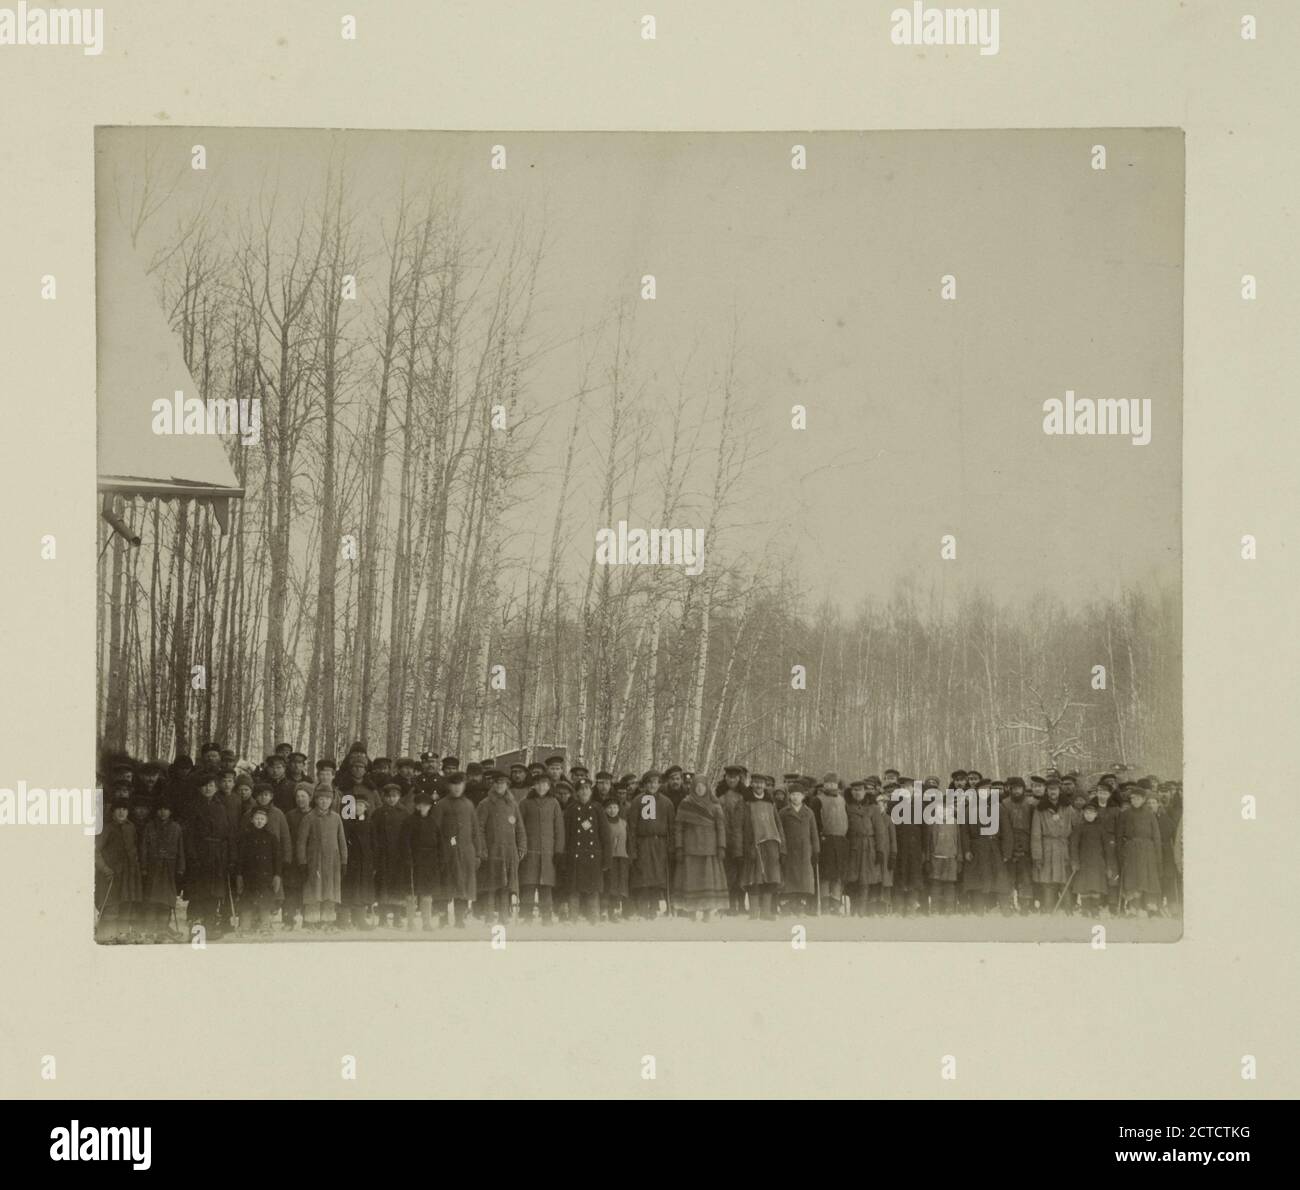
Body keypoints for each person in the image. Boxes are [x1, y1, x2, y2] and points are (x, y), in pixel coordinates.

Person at [672, 778, 729, 921]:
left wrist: (721, 846)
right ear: (693, 787)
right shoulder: (685, 804)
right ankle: (691, 911)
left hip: (710, 849)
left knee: (708, 881)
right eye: (697, 786)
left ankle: (707, 911)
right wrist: (679, 846)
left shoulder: (715, 806)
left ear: (707, 788)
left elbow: (721, 828)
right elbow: (678, 828)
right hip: (690, 848)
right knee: (691, 880)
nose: (699, 789)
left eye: (702, 786)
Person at [432, 770, 484, 927]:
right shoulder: (441, 805)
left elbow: (475, 831)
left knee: (463, 886)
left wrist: (478, 853)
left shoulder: (469, 805)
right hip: (447, 853)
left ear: (464, 785)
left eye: (460, 785)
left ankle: (460, 918)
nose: (456, 788)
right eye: (453, 785)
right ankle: (443, 918)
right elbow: (435, 830)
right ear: (449, 786)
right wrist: (439, 850)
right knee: (445, 886)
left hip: (466, 852)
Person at [184, 772, 232, 936]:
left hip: (217, 856)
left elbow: (226, 833)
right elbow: (188, 834)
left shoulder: (221, 806)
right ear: (199, 788)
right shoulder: (192, 806)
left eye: (211, 785)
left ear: (216, 787)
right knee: (198, 894)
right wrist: (192, 856)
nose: (207, 788)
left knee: (214, 894)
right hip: (199, 854)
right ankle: (196, 929)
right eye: (204, 786)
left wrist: (225, 856)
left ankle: (210, 927)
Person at [296, 785, 348, 929]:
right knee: (314, 890)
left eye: (327, 799)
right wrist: (302, 862)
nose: (324, 802)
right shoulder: (309, 818)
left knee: (330, 890)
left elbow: (342, 841)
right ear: (316, 800)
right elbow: (301, 843)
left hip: (332, 862)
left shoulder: (336, 818)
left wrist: (344, 861)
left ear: (331, 801)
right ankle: (311, 921)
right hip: (315, 862)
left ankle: (328, 920)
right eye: (321, 799)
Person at [477, 772, 526, 924]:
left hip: (509, 852)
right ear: (493, 785)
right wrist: (482, 848)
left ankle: (504, 917)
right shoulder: (485, 804)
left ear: (507, 785)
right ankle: (489, 917)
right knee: (491, 886)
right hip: (492, 851)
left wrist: (522, 845)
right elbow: (478, 829)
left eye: (503, 783)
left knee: (506, 886)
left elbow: (519, 827)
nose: (500, 786)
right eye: (497, 783)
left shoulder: (512, 804)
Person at [517, 772, 565, 924]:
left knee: (546, 887)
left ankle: (546, 917)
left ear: (549, 786)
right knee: (528, 886)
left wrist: (558, 851)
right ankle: (526, 916)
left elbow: (559, 829)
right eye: (538, 783)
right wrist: (520, 847)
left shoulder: (554, 803)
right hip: (529, 853)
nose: (541, 787)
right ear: (533, 785)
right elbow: (519, 826)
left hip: (548, 854)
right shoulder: (525, 803)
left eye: (545, 784)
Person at [627, 771, 675, 919]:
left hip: (660, 843)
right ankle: (642, 906)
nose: (652, 785)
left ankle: (654, 907)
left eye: (655, 782)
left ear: (660, 784)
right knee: (643, 876)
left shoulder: (667, 803)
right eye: (649, 782)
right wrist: (633, 849)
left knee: (657, 876)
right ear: (645, 785)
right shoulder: (637, 801)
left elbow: (671, 827)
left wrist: (671, 846)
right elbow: (632, 827)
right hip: (643, 843)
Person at [95, 797, 143, 940]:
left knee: (126, 906)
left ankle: (122, 935)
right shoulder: (106, 828)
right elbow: (95, 851)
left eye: (125, 809)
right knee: (111, 907)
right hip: (111, 875)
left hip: (128, 875)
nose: (121, 812)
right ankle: (107, 936)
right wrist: (104, 869)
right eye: (118, 809)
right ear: (112, 812)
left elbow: (134, 848)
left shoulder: (131, 827)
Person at [140, 798, 185, 938]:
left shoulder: (176, 827)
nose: (163, 812)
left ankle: (163, 928)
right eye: (160, 809)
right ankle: (149, 929)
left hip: (169, 869)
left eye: (166, 809)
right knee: (152, 899)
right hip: (154, 867)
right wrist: (144, 866)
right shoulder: (150, 826)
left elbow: (180, 849)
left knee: (167, 899)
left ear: (170, 811)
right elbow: (144, 848)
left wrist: (180, 868)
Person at [740, 776, 784, 920]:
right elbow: (740, 826)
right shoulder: (746, 801)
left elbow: (778, 825)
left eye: (761, 783)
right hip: (753, 844)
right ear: (751, 784)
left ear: (765, 785)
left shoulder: (771, 802)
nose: (758, 785)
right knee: (753, 878)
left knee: (770, 878)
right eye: (756, 782)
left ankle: (766, 912)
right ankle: (753, 912)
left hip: (771, 844)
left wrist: (782, 847)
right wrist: (745, 847)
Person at [371, 781, 413, 929]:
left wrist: (407, 854)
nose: (391, 799)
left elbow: (409, 835)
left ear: (399, 797)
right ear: (383, 797)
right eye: (388, 796)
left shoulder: (405, 813)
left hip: (399, 857)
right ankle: (382, 917)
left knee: (397, 888)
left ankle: (397, 917)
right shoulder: (378, 813)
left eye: (394, 796)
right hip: (383, 856)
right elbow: (373, 834)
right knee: (383, 887)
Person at [565, 778, 607, 923]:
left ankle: (594, 920)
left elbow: (605, 835)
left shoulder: (597, 809)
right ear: (577, 792)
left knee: (593, 890)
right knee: (573, 890)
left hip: (593, 857)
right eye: (581, 789)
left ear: (591, 791)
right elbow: (566, 835)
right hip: (574, 856)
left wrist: (606, 858)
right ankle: (573, 919)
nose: (584, 791)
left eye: (587, 788)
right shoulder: (570, 810)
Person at [236, 806, 281, 933]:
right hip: (249, 876)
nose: (259, 821)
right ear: (252, 820)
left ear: (266, 821)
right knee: (247, 901)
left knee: (265, 901)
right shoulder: (245, 837)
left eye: (262, 819)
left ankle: (265, 925)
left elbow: (277, 858)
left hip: (265, 876)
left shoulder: (272, 837)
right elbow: (240, 857)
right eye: (257, 818)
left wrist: (277, 875)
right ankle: (245, 925)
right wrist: (239, 875)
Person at [1118, 785, 1163, 916]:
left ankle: (1151, 907)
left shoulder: (1150, 815)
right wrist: (1121, 852)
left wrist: (1157, 854)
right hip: (1131, 851)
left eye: (1138, 799)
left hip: (1148, 851)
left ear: (1143, 800)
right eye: (1133, 799)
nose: (1135, 801)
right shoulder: (1125, 814)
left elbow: (1156, 836)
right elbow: (1119, 835)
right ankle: (1133, 907)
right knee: (1133, 878)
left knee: (1148, 877)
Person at [1031, 779, 1074, 913]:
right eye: (1050, 790)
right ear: (1046, 791)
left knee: (1065, 880)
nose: (1052, 792)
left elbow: (1075, 829)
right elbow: (1036, 834)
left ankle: (1068, 909)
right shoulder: (1040, 809)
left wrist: (1073, 853)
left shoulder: (1067, 807)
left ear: (1059, 790)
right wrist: (1037, 855)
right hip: (1047, 847)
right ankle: (1049, 908)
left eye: (1055, 789)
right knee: (1047, 881)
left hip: (1063, 847)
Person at [1070, 800, 1117, 917]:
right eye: (1087, 812)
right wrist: (1075, 861)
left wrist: (1108, 864)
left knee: (1096, 886)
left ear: (1096, 814)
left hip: (1097, 862)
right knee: (1084, 886)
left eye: (1092, 813)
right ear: (1083, 814)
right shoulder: (1079, 827)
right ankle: (1085, 908)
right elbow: (1074, 846)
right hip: (1083, 862)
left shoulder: (1101, 828)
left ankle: (1095, 908)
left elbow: (1107, 848)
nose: (1089, 815)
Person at [810, 774, 848, 914]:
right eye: (828, 784)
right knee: (826, 875)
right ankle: (825, 905)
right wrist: (819, 838)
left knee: (837, 875)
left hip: (840, 840)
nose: (831, 787)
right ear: (824, 785)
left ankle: (836, 904)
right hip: (826, 840)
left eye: (834, 784)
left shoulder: (842, 800)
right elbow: (815, 823)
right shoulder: (818, 800)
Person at [778, 785, 820, 915]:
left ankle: (801, 904)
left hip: (805, 851)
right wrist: (782, 850)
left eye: (798, 794)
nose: (795, 797)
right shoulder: (784, 812)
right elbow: (780, 833)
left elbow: (814, 833)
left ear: (803, 796)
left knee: (803, 879)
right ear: (789, 796)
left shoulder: (809, 812)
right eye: (793, 794)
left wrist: (816, 850)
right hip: (789, 851)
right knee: (790, 878)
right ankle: (788, 904)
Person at [340, 791, 376, 930]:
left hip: (365, 863)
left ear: (366, 808)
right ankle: (344, 920)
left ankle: (359, 920)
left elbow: (374, 844)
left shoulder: (369, 823)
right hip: (351, 863)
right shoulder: (347, 823)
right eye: (355, 805)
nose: (358, 808)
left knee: (362, 891)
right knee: (349, 890)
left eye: (361, 805)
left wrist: (373, 863)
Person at [408, 790, 442, 930]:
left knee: (427, 894)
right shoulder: (409, 821)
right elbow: (404, 842)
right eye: (421, 805)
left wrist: (441, 859)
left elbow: (440, 842)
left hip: (430, 862)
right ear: (416, 806)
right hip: (414, 862)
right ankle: (410, 922)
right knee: (412, 894)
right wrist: (407, 858)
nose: (424, 808)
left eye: (427, 805)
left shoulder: (433, 822)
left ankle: (426, 922)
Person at [716, 765, 747, 914]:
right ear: (725, 778)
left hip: (743, 840)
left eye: (735, 777)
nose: (732, 780)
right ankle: (729, 905)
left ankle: (740, 904)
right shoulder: (720, 796)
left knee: (742, 874)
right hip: (727, 840)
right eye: (729, 777)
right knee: (729, 874)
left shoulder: (745, 795)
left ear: (739, 778)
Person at [844, 781, 878, 916]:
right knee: (852, 879)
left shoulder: (873, 808)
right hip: (852, 845)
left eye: (860, 790)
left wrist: (880, 849)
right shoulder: (847, 807)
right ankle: (853, 909)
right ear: (851, 792)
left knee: (865, 880)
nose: (857, 793)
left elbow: (879, 830)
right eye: (854, 790)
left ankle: (862, 911)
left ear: (865, 792)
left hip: (868, 846)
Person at [600, 796, 629, 920]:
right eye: (610, 808)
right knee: (608, 884)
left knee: (620, 884)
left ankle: (616, 909)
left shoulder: (623, 823)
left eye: (615, 807)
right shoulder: (602, 823)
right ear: (605, 809)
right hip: (608, 857)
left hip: (621, 858)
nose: (613, 810)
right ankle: (605, 910)